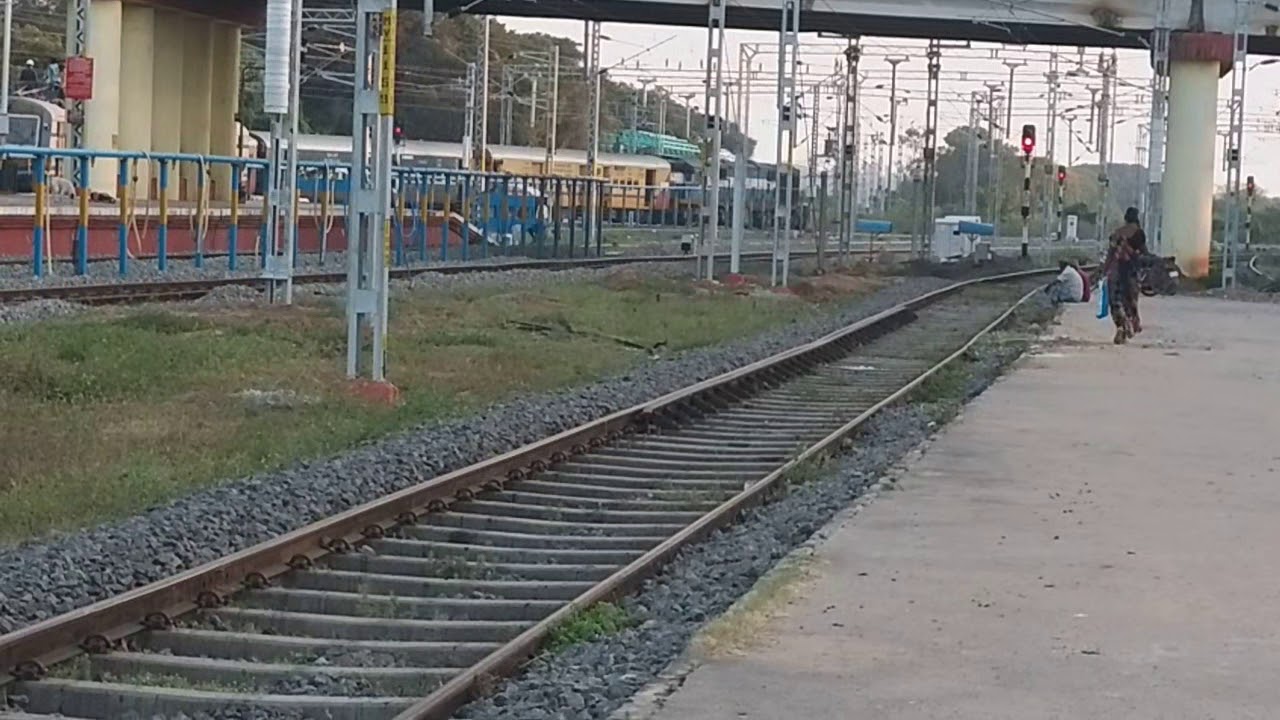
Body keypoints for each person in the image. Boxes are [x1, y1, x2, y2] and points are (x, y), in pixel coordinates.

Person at [1097, 206, 1148, 344]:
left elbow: (1110, 254)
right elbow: (1144, 253)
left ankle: (1120, 327)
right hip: (1132, 272)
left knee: (1116, 301)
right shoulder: (1139, 234)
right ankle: (1131, 324)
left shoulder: (1117, 234)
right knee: (1130, 300)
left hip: (1115, 271)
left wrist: (1104, 271)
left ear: (1125, 218)